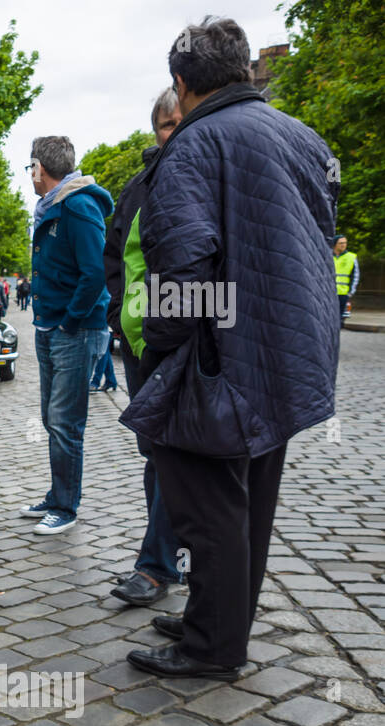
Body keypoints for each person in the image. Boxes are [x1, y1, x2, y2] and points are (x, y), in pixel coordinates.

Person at [122, 17, 339, 681]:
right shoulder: (304, 138)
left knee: (208, 507)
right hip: (291, 351)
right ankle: (220, 623)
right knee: (251, 503)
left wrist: (159, 348)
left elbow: (184, 275)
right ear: (244, 70)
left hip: (222, 359)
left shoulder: (194, 145)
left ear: (181, 85)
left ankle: (212, 647)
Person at [105, 86, 184, 608]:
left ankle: (158, 564)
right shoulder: (137, 187)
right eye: (165, 124)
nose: (172, 132)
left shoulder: (208, 179)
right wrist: (121, 319)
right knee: (157, 454)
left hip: (187, 347)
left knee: (181, 456)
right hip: (140, 349)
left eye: (180, 121)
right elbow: (115, 258)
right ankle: (171, 559)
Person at [19, 135, 113, 534]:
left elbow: (94, 273)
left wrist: (70, 321)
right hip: (51, 327)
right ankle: (57, 496)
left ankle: (67, 508)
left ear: (40, 167)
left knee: (65, 422)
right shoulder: (54, 206)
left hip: (73, 331)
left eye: (30, 166)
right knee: (52, 419)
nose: (30, 174)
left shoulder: (77, 205)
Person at [333, 234, 358, 328]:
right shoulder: (327, 256)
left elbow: (355, 276)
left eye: (345, 243)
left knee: (340, 320)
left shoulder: (351, 257)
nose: (343, 245)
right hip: (329, 292)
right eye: (341, 243)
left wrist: (351, 292)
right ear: (335, 244)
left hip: (343, 293)